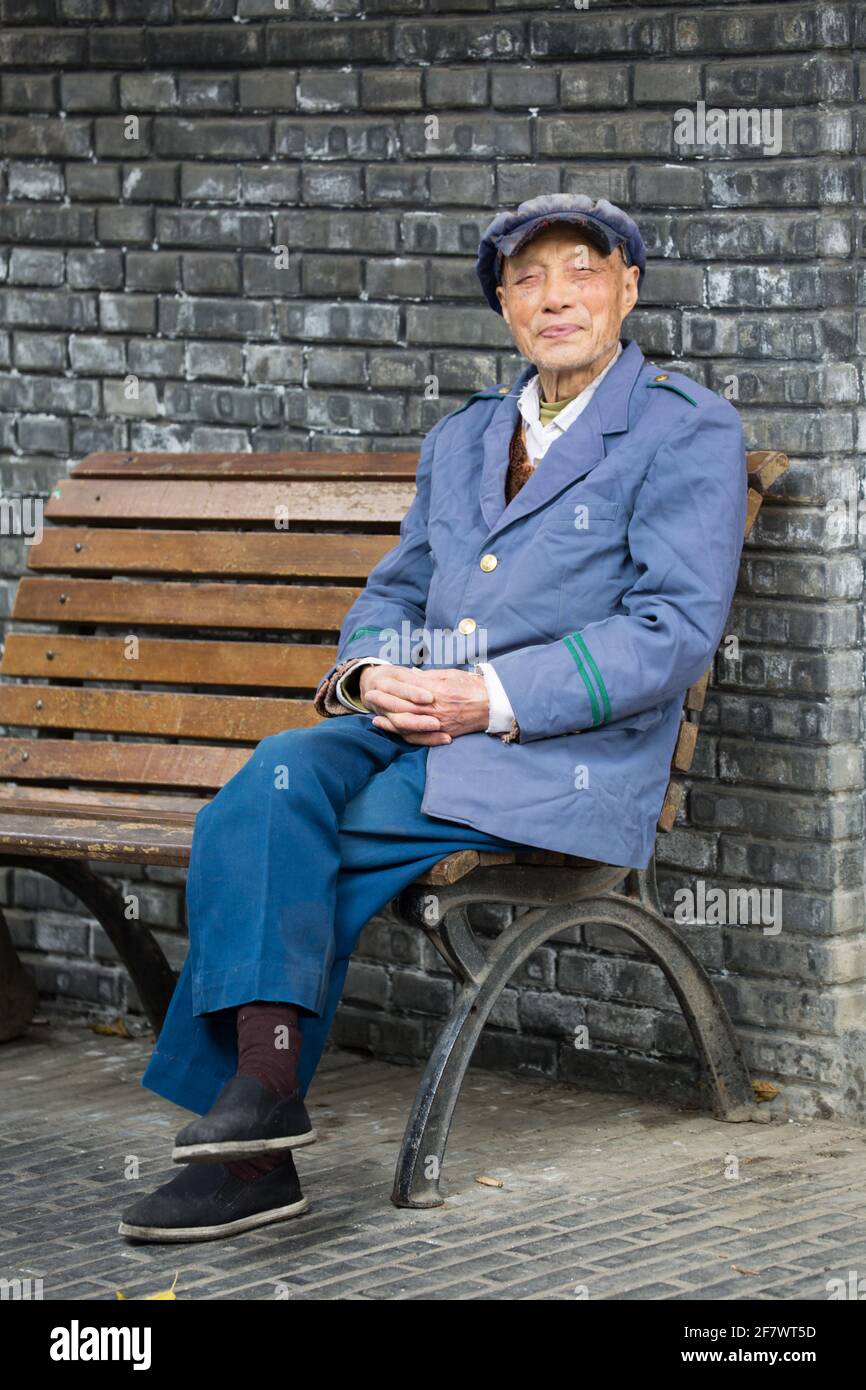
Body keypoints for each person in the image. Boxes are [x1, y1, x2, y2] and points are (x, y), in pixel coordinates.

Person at [118, 194, 746, 1243]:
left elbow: (669, 630)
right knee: (266, 784)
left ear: (626, 289)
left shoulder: (683, 428)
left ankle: (252, 1143)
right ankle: (261, 1110)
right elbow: (395, 590)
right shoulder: (464, 436)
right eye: (527, 278)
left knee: (307, 838)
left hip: (554, 751)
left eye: (580, 271)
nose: (555, 297)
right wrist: (369, 674)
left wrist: (489, 697)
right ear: (502, 303)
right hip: (412, 719)